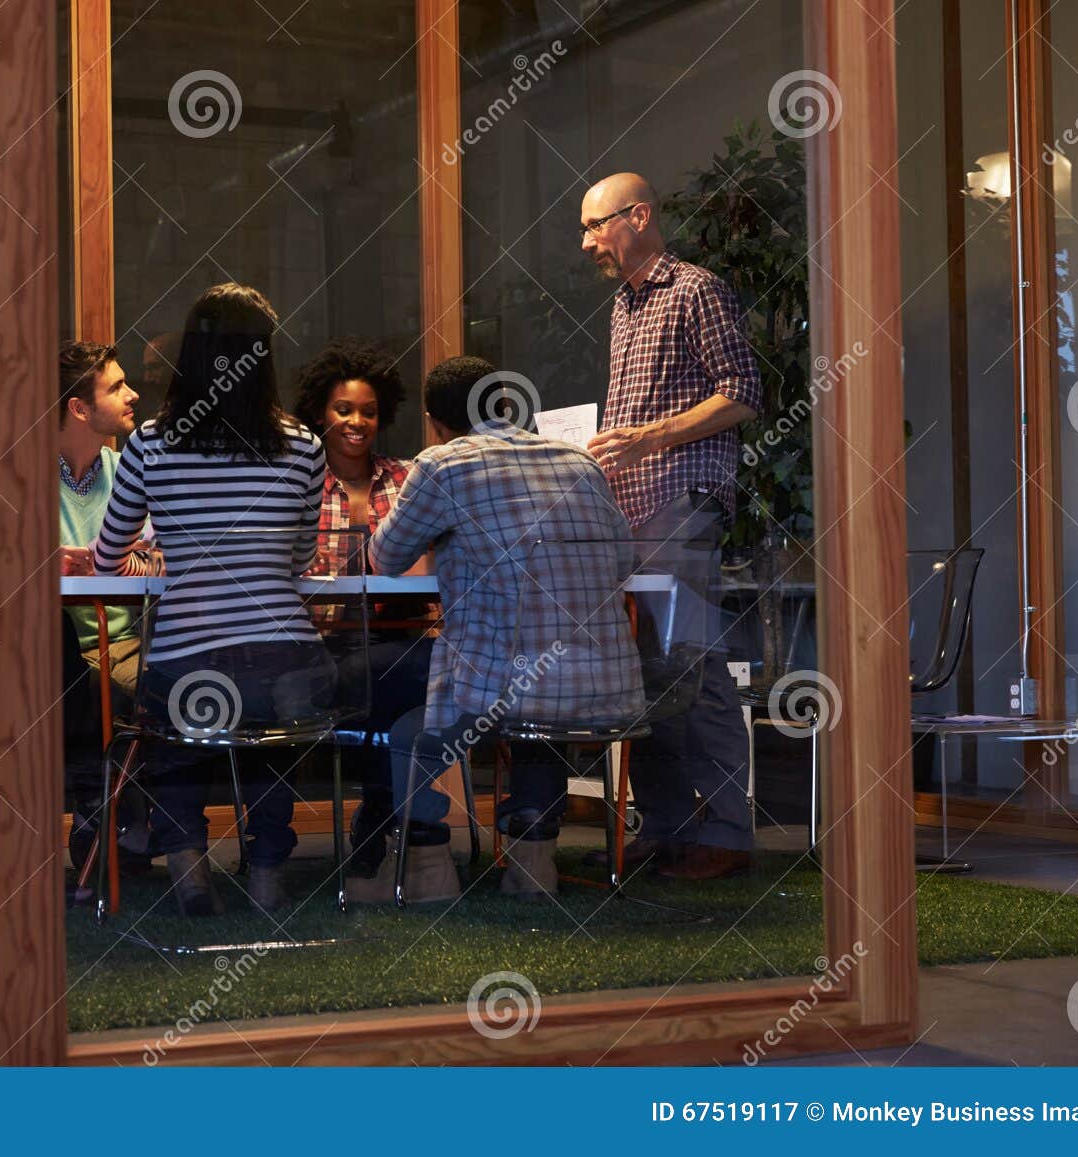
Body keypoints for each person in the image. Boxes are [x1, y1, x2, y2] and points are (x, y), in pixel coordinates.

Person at [351, 355, 645, 903]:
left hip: (499, 689)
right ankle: (534, 864)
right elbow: (624, 556)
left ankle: (426, 868)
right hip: (604, 689)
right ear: (505, 406)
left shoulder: (442, 465)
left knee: (410, 731)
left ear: (436, 422)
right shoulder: (579, 462)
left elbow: (384, 557)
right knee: (541, 709)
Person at [94, 283, 336, 917]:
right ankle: (267, 875)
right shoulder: (305, 446)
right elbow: (301, 559)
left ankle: (190, 873)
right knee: (271, 744)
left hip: (187, 653)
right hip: (286, 651)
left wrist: (175, 556)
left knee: (171, 747)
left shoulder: (150, 443)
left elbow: (106, 554)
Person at [580, 171, 761, 880]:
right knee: (645, 672)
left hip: (681, 501)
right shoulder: (623, 307)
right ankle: (666, 824)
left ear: (640, 215)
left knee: (694, 663)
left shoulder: (695, 289)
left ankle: (726, 832)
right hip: (630, 511)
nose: (588, 241)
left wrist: (649, 438)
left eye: (597, 225)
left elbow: (742, 393)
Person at [292, 339, 433, 878]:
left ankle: (381, 813)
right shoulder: (297, 485)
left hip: (400, 637)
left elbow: (426, 569)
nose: (357, 421)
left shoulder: (407, 479)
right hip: (318, 642)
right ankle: (380, 814)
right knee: (352, 678)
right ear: (319, 414)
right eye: (343, 409)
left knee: (389, 674)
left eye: (368, 412)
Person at [56, 340, 154, 880]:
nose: (133, 394)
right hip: (62, 654)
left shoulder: (129, 470)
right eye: (116, 387)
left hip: (136, 641)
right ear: (78, 408)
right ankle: (120, 819)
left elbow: (161, 561)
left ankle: (130, 821)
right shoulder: (19, 481)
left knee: (179, 676)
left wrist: (116, 566)